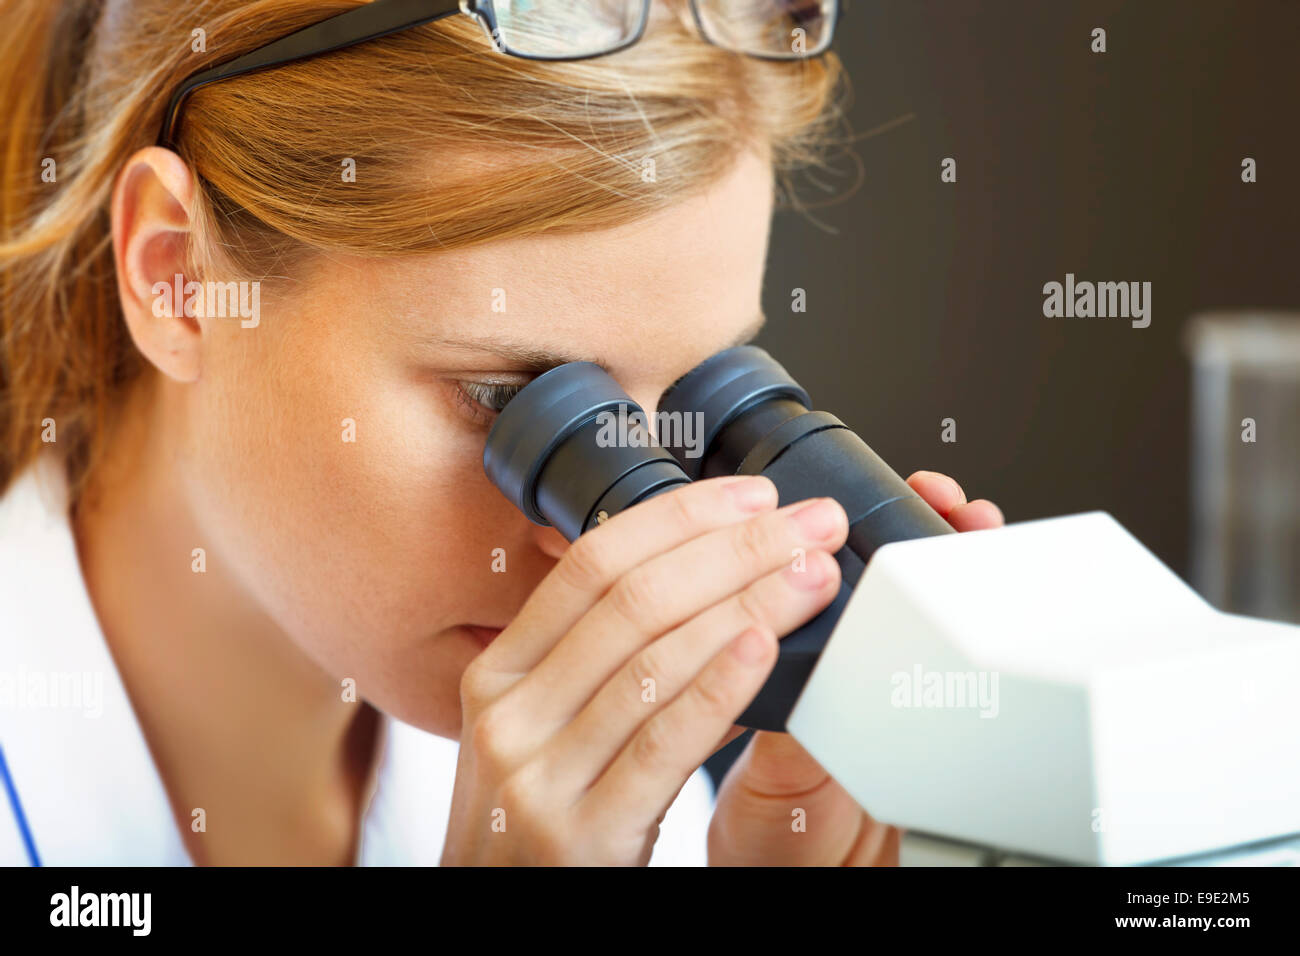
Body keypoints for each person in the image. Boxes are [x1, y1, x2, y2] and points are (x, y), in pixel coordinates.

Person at [0, 0, 1003, 865]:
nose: (608, 539)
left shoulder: (591, 796)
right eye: (502, 396)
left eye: (696, 404)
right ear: (177, 274)